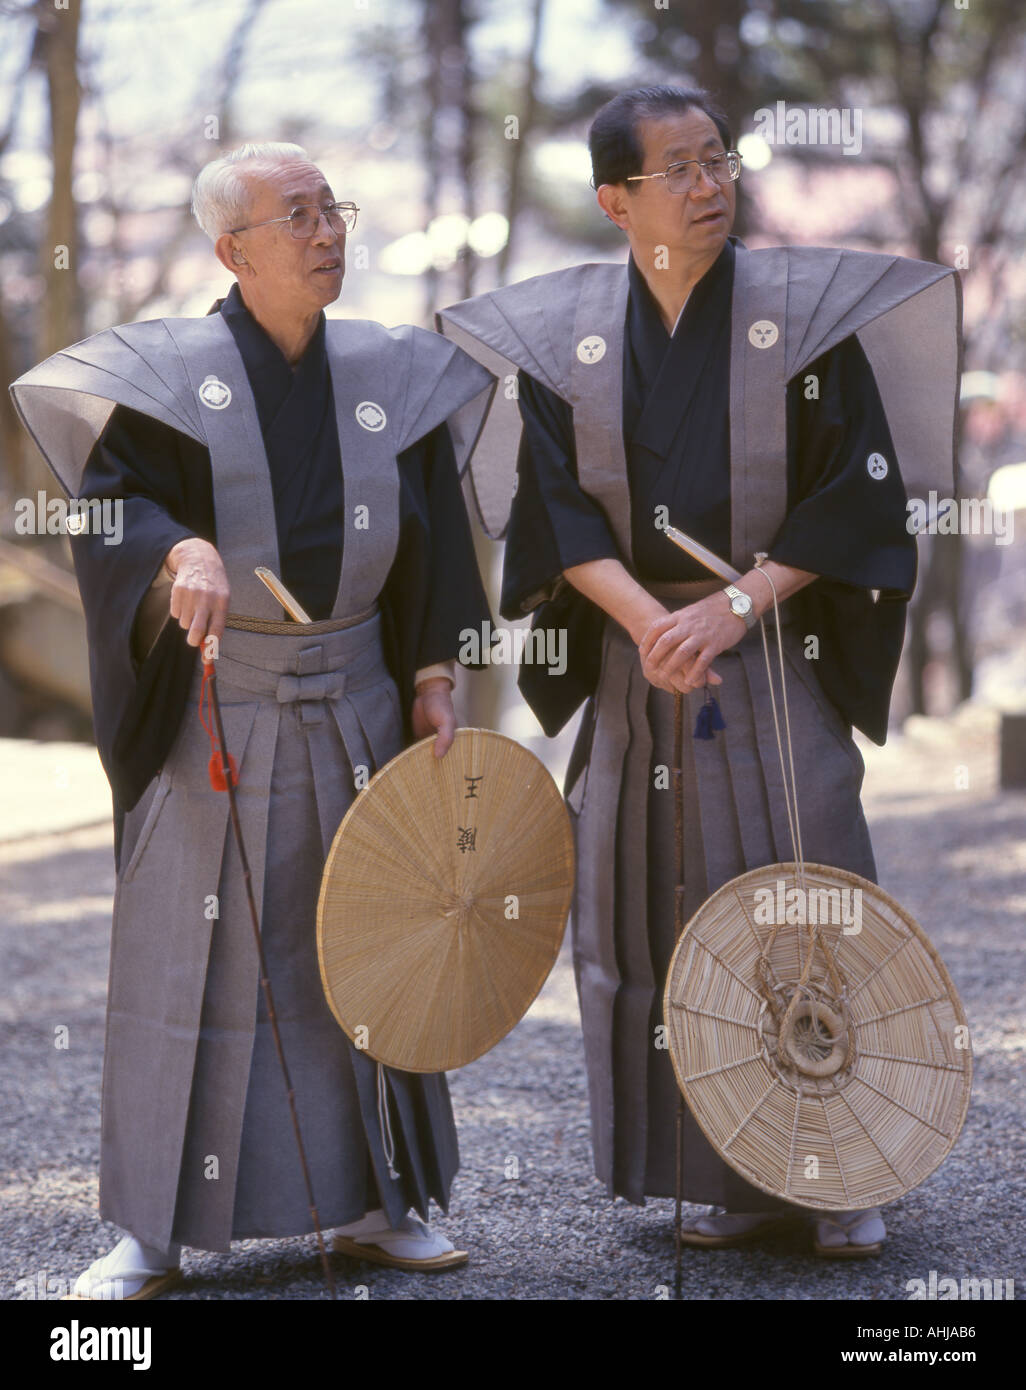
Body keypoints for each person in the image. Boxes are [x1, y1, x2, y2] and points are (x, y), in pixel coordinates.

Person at [439, 87, 960, 1257]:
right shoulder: (565, 342)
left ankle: (840, 1168)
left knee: (811, 885)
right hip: (643, 664)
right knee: (658, 907)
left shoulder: (804, 319)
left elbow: (859, 491)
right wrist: (648, 623)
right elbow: (554, 516)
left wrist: (733, 605)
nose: (711, 182)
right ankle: (722, 1166)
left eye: (718, 158)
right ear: (616, 198)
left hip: (771, 645)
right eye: (678, 167)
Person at [11, 142, 496, 1297]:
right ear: (234, 251)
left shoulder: (389, 371)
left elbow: (435, 528)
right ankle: (153, 1225)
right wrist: (179, 547)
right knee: (196, 951)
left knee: (372, 945)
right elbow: (111, 510)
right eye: (298, 215)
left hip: (360, 695)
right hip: (218, 701)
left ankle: (382, 1201)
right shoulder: (170, 377)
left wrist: (432, 669)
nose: (329, 230)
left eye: (334, 208)